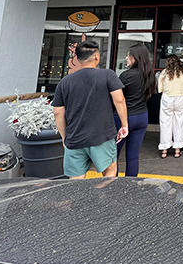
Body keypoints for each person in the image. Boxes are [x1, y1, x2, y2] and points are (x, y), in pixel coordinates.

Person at [52, 40, 128, 179]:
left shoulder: (65, 82)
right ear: (97, 56)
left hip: (75, 138)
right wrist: (124, 125)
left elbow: (57, 112)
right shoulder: (108, 75)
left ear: (78, 59)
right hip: (102, 136)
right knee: (109, 173)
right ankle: (104, 200)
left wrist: (64, 138)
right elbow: (120, 100)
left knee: (75, 180)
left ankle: (78, 201)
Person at [116, 44, 156, 176]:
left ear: (136, 58)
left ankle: (110, 184)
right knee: (133, 156)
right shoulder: (150, 75)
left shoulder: (127, 75)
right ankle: (131, 185)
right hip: (142, 117)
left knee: (112, 154)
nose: (126, 58)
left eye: (128, 55)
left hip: (125, 118)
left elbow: (117, 98)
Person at [158, 54, 183, 159]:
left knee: (165, 122)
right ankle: (177, 150)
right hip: (181, 97)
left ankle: (164, 149)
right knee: (180, 122)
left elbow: (160, 89)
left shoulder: (164, 73)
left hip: (167, 98)